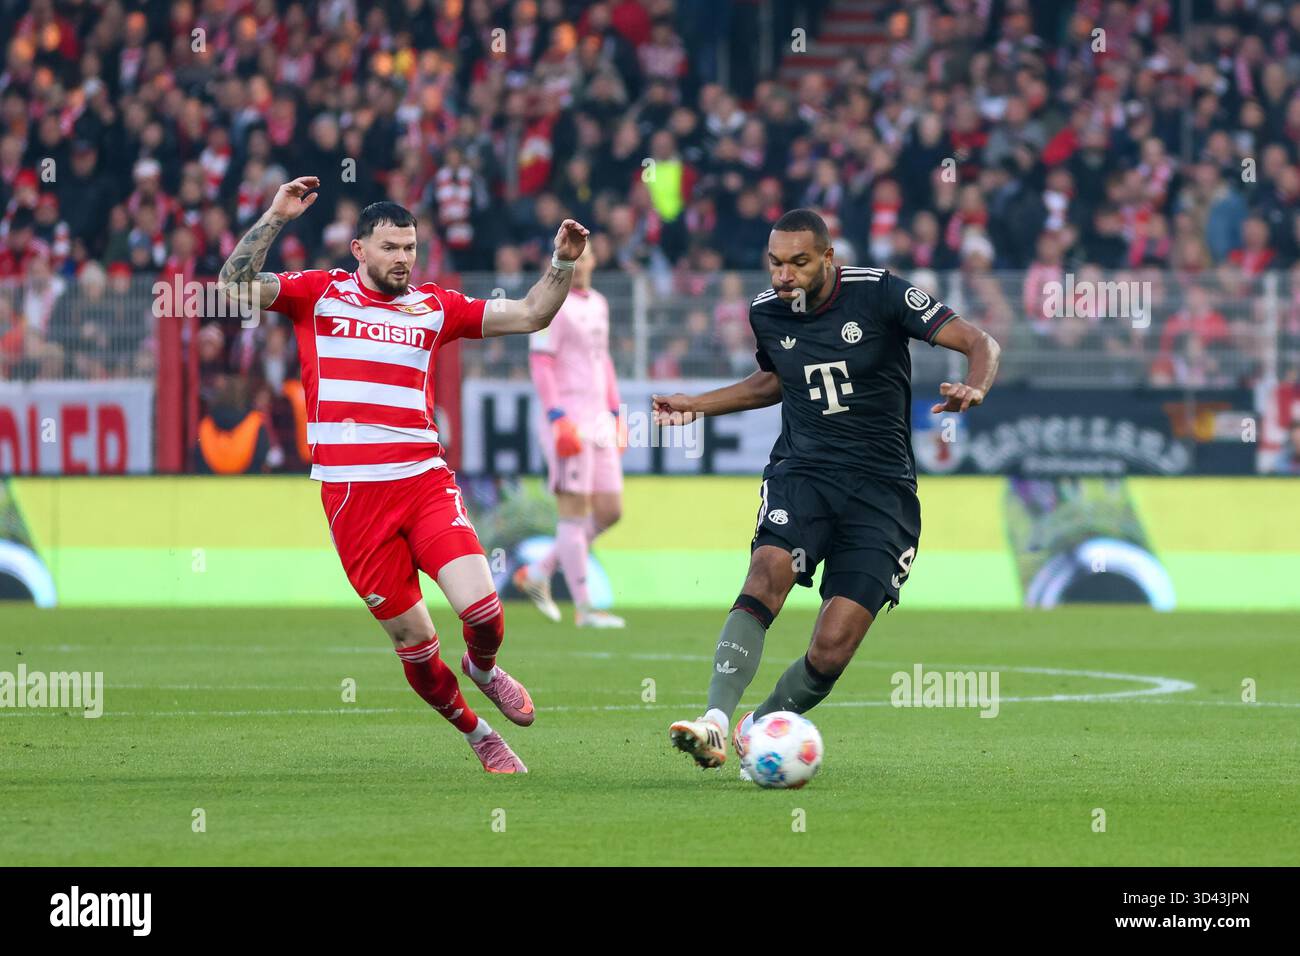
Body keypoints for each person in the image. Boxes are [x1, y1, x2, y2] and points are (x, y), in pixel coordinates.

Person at [219, 175, 590, 774]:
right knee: (413, 642)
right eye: (390, 247)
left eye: (411, 247)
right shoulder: (317, 294)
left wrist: (561, 263)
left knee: (484, 612)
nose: (402, 259)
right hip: (351, 499)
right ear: (359, 250)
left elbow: (529, 314)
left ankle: (485, 670)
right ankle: (478, 736)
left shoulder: (434, 307)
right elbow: (231, 288)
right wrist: (276, 216)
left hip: (422, 480)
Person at [654, 209, 1000, 774]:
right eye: (775, 263)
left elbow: (979, 341)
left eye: (798, 262)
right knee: (767, 573)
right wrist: (697, 404)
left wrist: (975, 386)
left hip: (882, 492)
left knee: (832, 645)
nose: (783, 275)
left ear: (827, 259)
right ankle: (715, 720)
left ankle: (755, 730)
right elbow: (775, 379)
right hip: (804, 472)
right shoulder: (765, 313)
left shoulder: (881, 293)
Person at [513, 243, 627, 628]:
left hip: (599, 420)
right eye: (572, 259)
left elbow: (603, 359)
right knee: (574, 513)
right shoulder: (552, 305)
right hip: (569, 421)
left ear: (595, 260)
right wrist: (557, 417)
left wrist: (616, 412)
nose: (579, 265)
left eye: (586, 257)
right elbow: (541, 363)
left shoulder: (598, 303)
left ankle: (540, 570)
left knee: (610, 510)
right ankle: (586, 609)